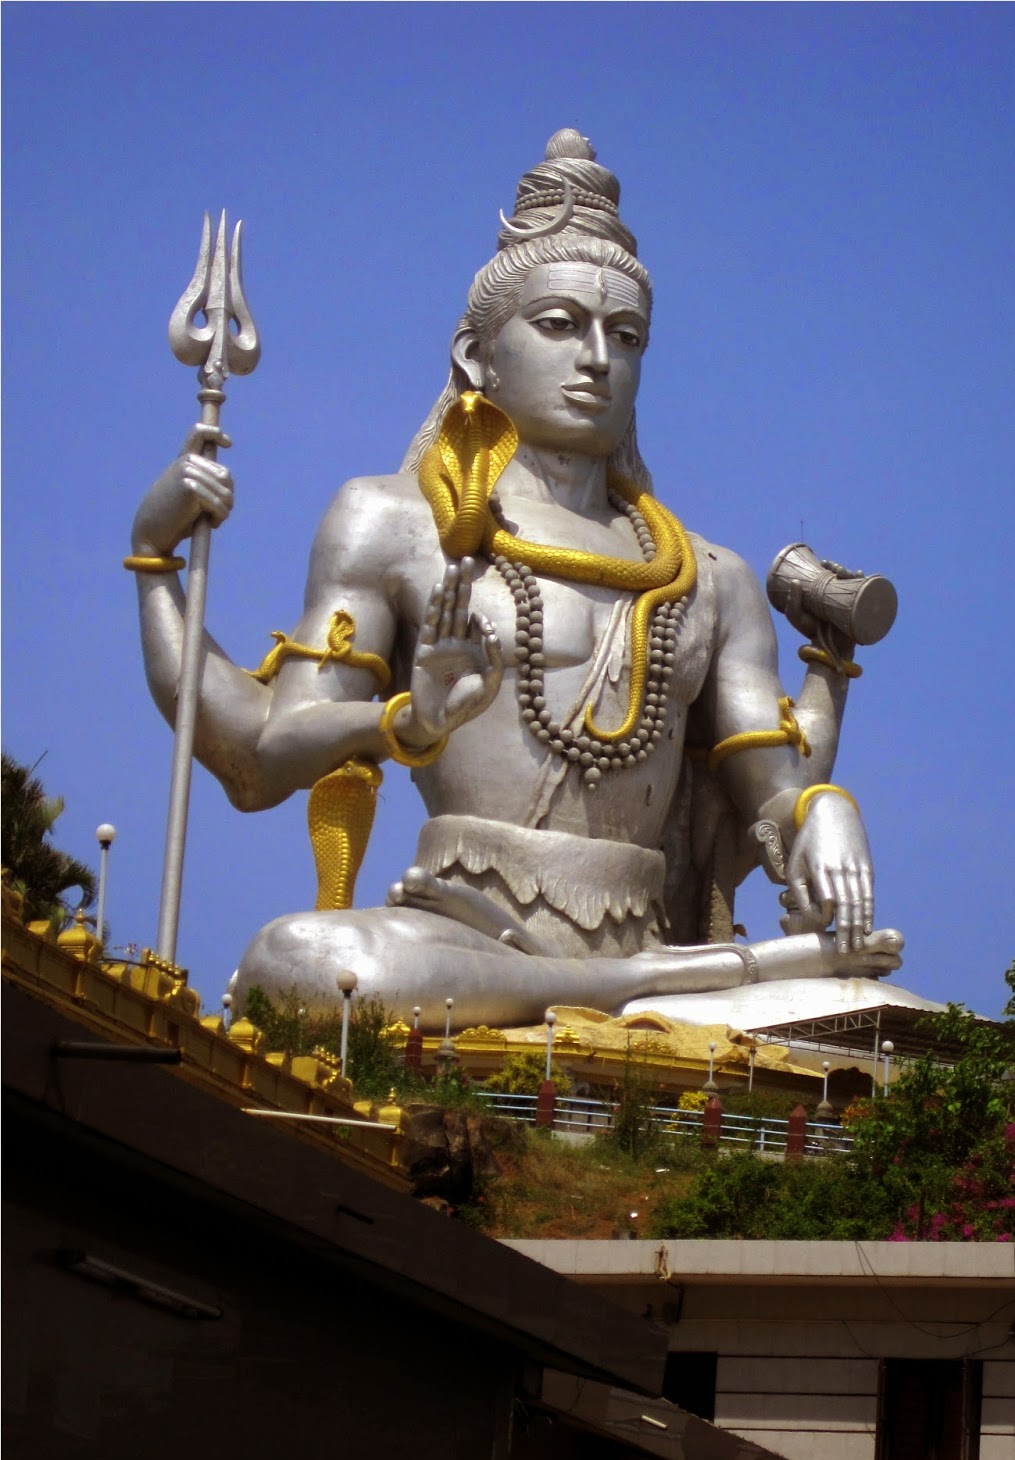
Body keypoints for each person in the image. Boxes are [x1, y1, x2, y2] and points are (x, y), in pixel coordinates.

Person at [128, 131, 902, 1026]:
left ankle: (653, 977)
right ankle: (649, 986)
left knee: (875, 1002)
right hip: (461, 928)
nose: (597, 360)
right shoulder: (393, 521)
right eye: (560, 324)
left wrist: (824, 809)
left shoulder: (707, 577)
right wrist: (157, 571)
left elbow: (767, 797)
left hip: (643, 924)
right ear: (476, 354)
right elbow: (260, 758)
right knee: (299, 960)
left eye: (626, 335)